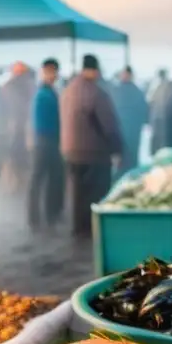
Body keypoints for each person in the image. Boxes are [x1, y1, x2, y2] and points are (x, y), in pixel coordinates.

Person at [60, 54, 123, 237]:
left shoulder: (68, 90)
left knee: (77, 193)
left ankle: (78, 228)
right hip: (94, 153)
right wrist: (117, 149)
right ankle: (91, 230)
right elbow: (109, 126)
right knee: (95, 194)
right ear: (95, 70)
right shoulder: (97, 93)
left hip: (70, 151)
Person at [28, 58, 65, 231]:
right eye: (49, 72)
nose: (52, 75)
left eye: (54, 72)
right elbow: (44, 122)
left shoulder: (49, 92)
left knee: (51, 179)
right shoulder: (43, 94)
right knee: (39, 180)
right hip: (45, 140)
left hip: (48, 140)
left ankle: (50, 216)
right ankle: (36, 219)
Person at [108, 66, 149, 174]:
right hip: (133, 135)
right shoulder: (138, 92)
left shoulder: (114, 91)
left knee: (118, 166)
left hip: (120, 134)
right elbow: (145, 115)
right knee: (131, 166)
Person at [1, 61, 36, 193]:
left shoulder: (11, 87)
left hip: (19, 130)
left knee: (17, 159)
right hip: (17, 130)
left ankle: (17, 186)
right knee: (15, 159)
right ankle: (15, 186)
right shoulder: (13, 88)